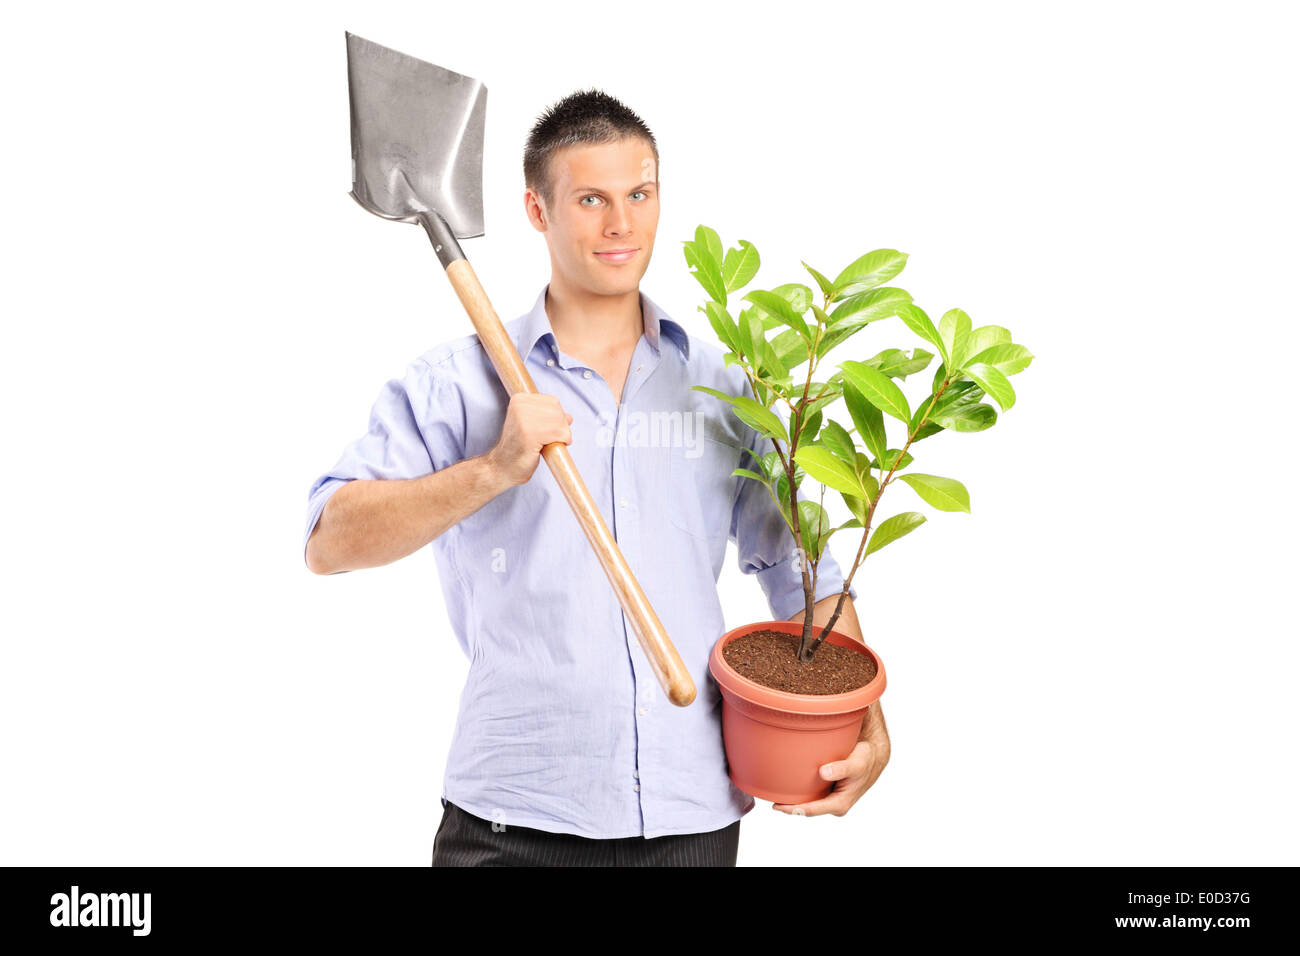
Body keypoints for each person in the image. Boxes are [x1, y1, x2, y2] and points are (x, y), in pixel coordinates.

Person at [303, 89, 891, 866]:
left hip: (690, 814)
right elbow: (328, 540)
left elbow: (801, 569)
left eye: (639, 194)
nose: (621, 225)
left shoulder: (725, 386)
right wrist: (492, 469)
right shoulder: (456, 385)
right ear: (537, 211)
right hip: (510, 816)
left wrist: (866, 713)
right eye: (590, 199)